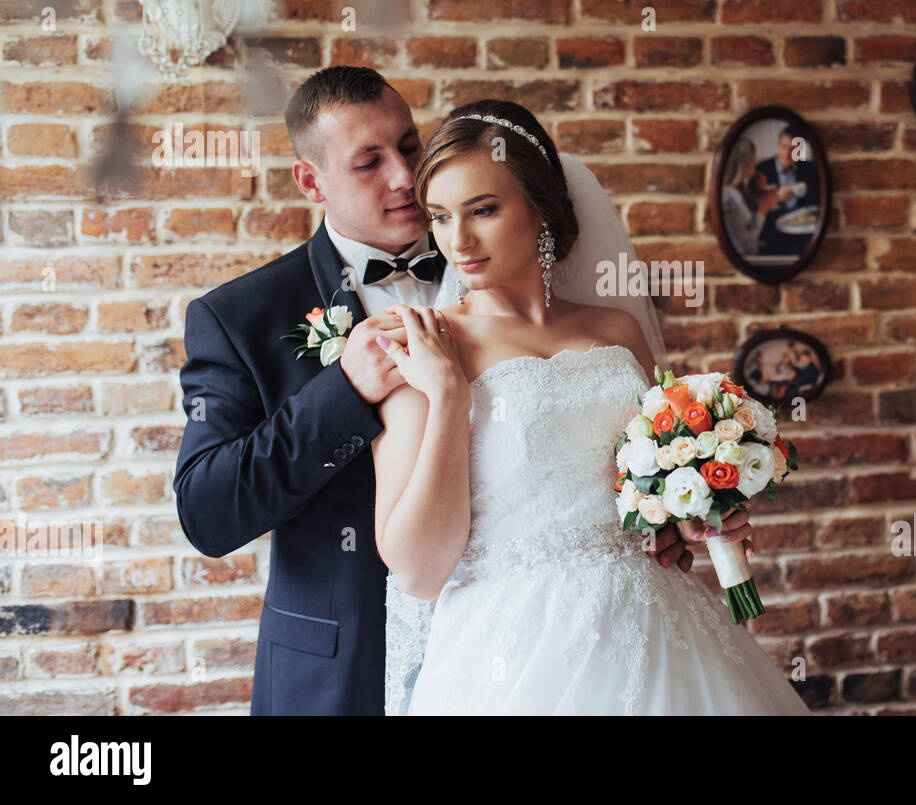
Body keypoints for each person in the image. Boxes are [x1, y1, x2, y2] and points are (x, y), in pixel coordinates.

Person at [172, 69, 715, 716]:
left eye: (408, 145)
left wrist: (660, 520)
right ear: (312, 181)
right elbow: (207, 510)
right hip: (348, 660)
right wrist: (343, 390)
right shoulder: (244, 316)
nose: (404, 176)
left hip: (584, 636)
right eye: (369, 161)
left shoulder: (501, 237)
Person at [372, 100, 811, 715]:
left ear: (542, 210)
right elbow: (416, 572)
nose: (458, 241)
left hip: (658, 626)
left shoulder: (617, 330)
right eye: (440, 217)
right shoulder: (421, 344)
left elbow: (637, 492)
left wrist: (686, 517)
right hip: (513, 655)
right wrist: (448, 395)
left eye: (485, 210)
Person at [754, 126, 820, 256]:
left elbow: (817, 201)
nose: (787, 153)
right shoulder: (762, 170)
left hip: (803, 234)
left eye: (793, 149)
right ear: (778, 145)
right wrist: (775, 199)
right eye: (783, 147)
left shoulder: (810, 169)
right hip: (772, 235)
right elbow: (753, 206)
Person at [718, 136, 788, 256]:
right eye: (752, 159)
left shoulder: (739, 189)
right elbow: (745, 246)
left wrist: (760, 195)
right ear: (742, 162)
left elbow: (747, 219)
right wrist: (762, 209)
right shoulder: (728, 197)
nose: (755, 163)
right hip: (751, 258)